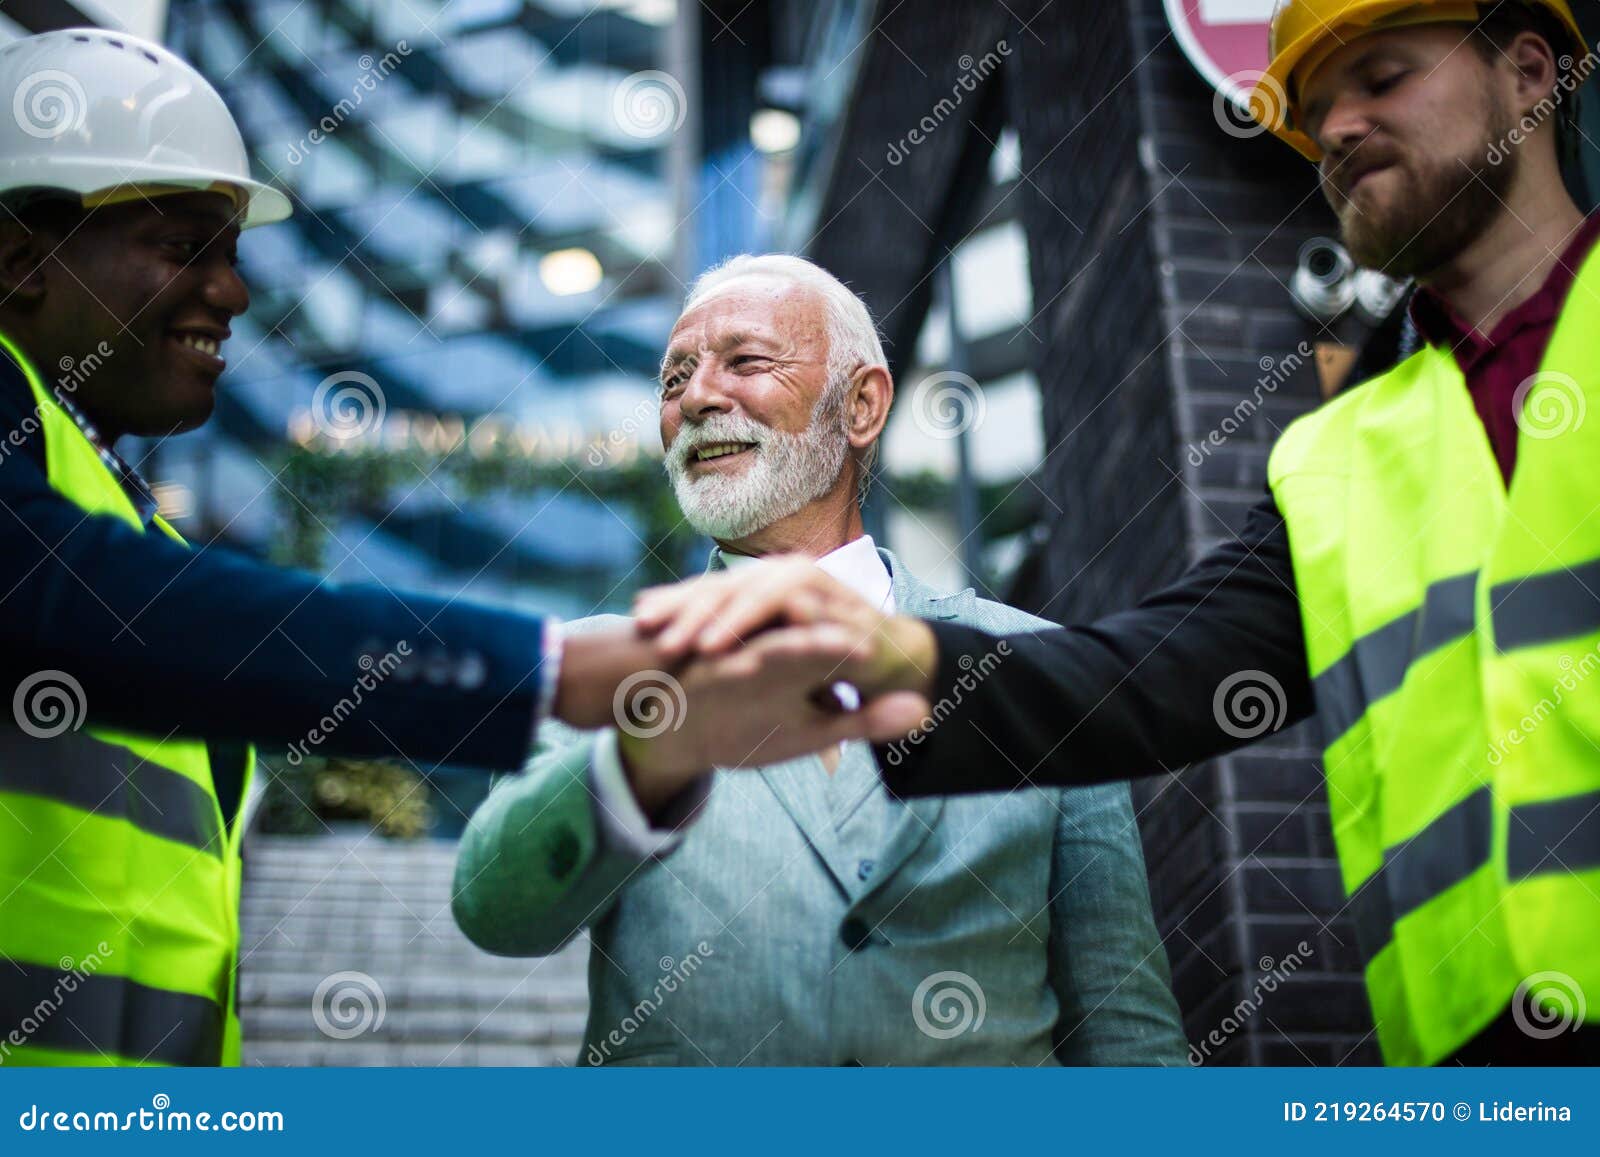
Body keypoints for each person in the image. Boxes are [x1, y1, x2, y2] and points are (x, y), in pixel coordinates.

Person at [633, 0, 1600, 1066]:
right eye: (1316, 107)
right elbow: (1149, 678)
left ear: (1527, 74)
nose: (1336, 127)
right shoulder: (1344, 450)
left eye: (1380, 77)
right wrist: (880, 654)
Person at [0, 30, 923, 1067]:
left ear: (864, 403)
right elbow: (93, 606)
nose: (236, 294)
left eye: (232, 252)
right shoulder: (84, 523)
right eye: (183, 249)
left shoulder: (120, 512)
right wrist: (564, 673)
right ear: (20, 259)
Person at [451, 255, 1184, 1066]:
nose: (695, 398)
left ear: (862, 404)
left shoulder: (1035, 663)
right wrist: (640, 760)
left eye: (746, 361)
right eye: (673, 380)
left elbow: (1124, 1018)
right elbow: (497, 908)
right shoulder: (595, 661)